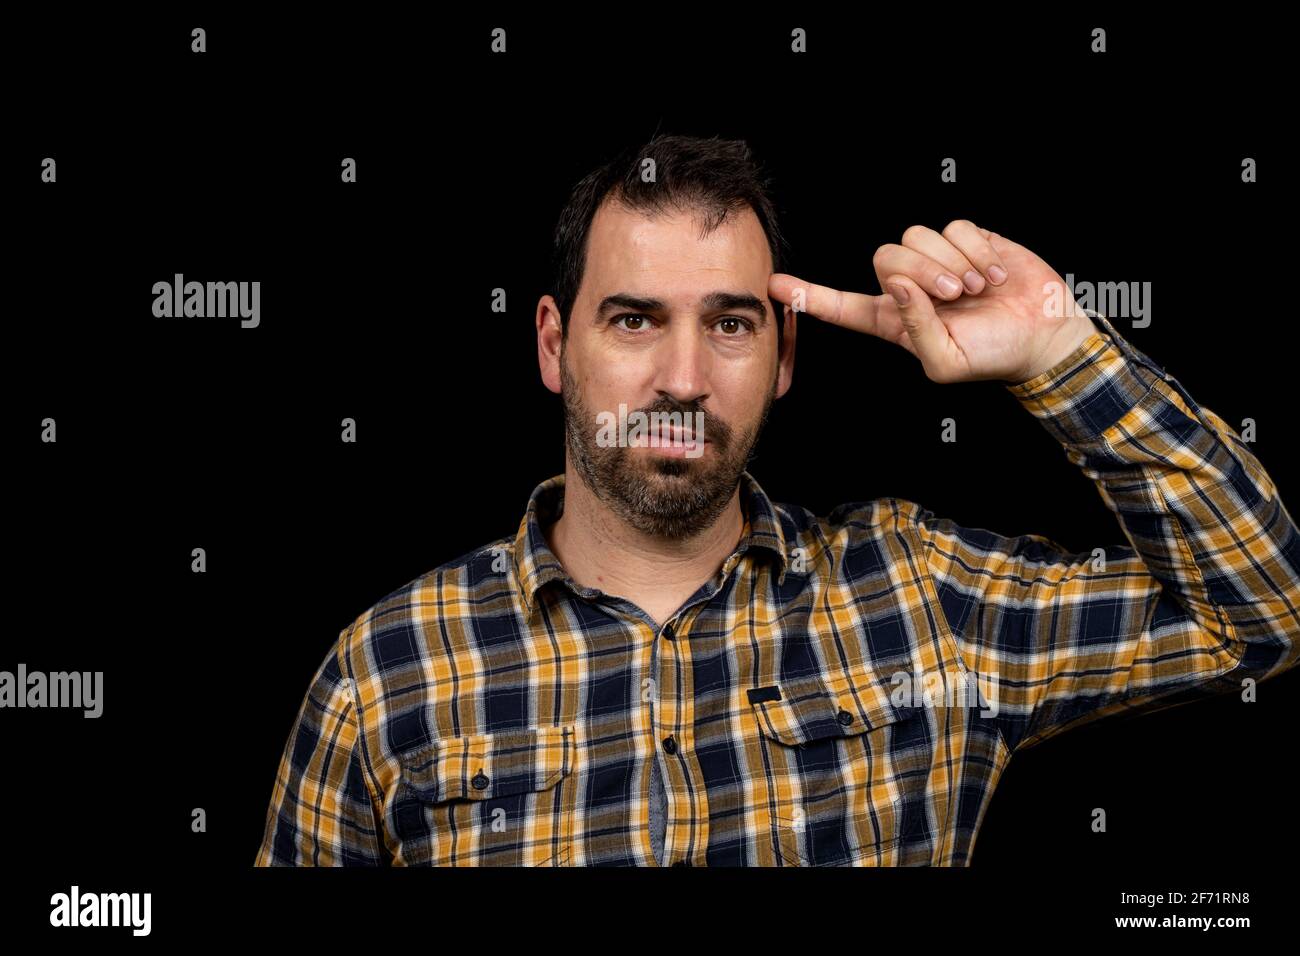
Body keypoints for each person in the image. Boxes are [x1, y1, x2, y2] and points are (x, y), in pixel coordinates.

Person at [254, 134, 1299, 867]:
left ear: (784, 353)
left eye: (730, 324)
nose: (681, 378)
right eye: (632, 320)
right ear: (552, 345)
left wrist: (1057, 351)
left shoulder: (923, 596)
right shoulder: (384, 673)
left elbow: (1261, 612)